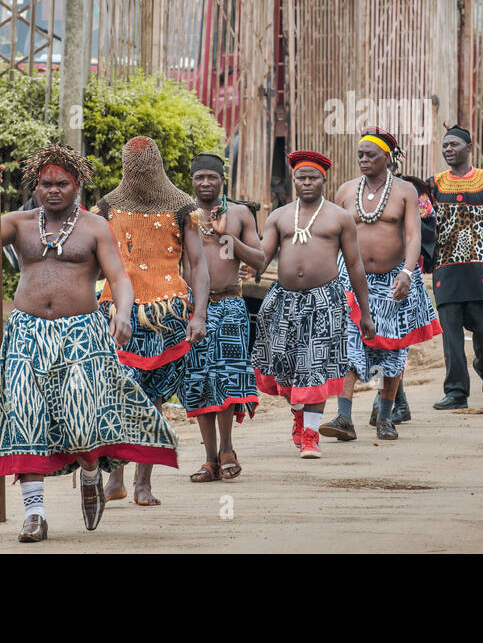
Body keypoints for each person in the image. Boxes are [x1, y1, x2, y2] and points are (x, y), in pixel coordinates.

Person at [0, 144, 178, 544]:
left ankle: (91, 474)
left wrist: (123, 313)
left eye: (62, 183)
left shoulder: (94, 227)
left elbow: (120, 278)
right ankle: (35, 514)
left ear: (77, 186)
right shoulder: (19, 223)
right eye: (45, 184)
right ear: (35, 186)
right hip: (27, 333)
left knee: (82, 417)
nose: (53, 190)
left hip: (83, 334)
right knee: (25, 414)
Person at [92, 137, 209, 506]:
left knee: (153, 399)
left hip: (166, 314)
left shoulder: (182, 207)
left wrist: (200, 314)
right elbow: (89, 259)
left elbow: (196, 265)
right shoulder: (108, 206)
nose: (140, 178)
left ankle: (142, 481)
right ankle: (116, 478)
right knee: (118, 395)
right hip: (116, 312)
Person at [251, 150, 375, 458]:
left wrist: (366, 313)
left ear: (324, 180)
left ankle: (310, 435)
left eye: (313, 177)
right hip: (283, 300)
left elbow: (356, 265)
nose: (307, 182)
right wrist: (240, 253)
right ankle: (298, 414)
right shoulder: (278, 216)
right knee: (286, 369)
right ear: (293, 180)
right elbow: (262, 257)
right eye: (301, 177)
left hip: (325, 301)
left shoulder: (339, 217)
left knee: (315, 369)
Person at [322, 128, 439, 442]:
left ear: (387, 157)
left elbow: (414, 236)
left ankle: (385, 417)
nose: (363, 159)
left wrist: (408, 273)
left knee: (393, 350)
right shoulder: (346, 191)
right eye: (360, 154)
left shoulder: (405, 192)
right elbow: (333, 237)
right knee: (348, 343)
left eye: (370, 154)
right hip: (350, 279)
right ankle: (344, 416)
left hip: (393, 282)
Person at [182, 152, 265, 482]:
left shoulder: (241, 214)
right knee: (199, 380)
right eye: (199, 177)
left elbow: (258, 260)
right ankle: (209, 459)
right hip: (192, 311)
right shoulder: (182, 215)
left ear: (222, 180)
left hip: (230, 306)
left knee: (227, 380)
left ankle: (228, 449)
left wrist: (227, 238)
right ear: (192, 180)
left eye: (211, 177)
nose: (205, 183)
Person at [428, 125, 483, 409]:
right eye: (445, 146)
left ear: (469, 147)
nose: (448, 149)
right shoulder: (434, 185)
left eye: (454, 145)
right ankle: (456, 392)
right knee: (451, 336)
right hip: (446, 269)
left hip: (482, 269)